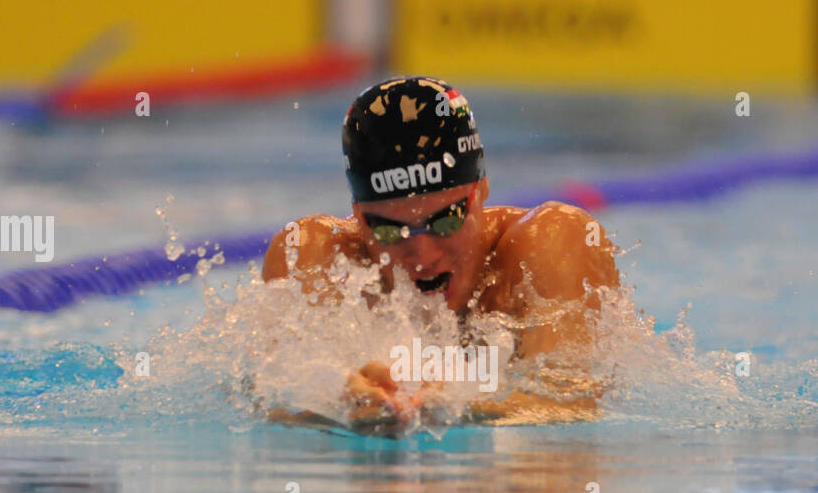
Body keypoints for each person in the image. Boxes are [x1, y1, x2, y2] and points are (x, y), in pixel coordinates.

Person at [261, 76, 619, 430]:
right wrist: (337, 400)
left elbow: (572, 406)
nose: (422, 256)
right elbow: (273, 403)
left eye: (445, 222)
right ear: (358, 217)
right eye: (389, 230)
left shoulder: (550, 242)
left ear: (481, 191)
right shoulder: (314, 255)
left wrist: (457, 405)